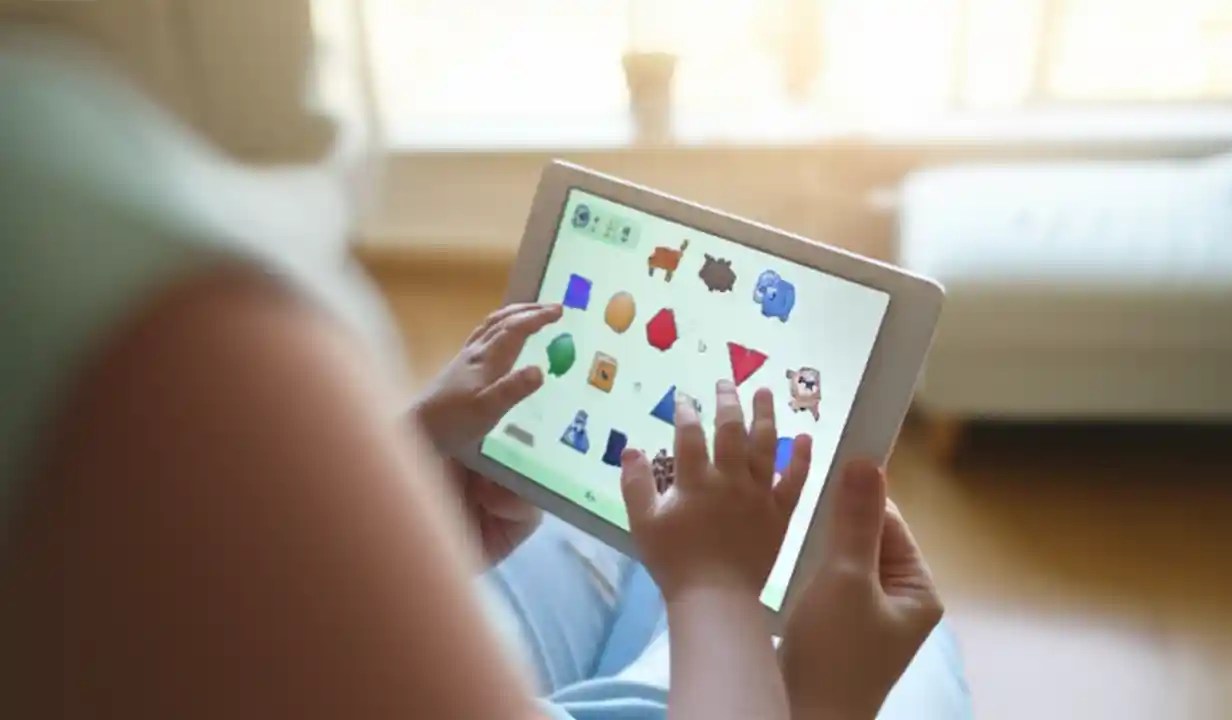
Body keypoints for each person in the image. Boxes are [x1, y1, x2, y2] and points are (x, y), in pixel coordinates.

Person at [0, 20, 970, 720]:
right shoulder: (112, 279)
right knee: (885, 640)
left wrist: (401, 480)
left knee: (626, 535)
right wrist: (802, 683)